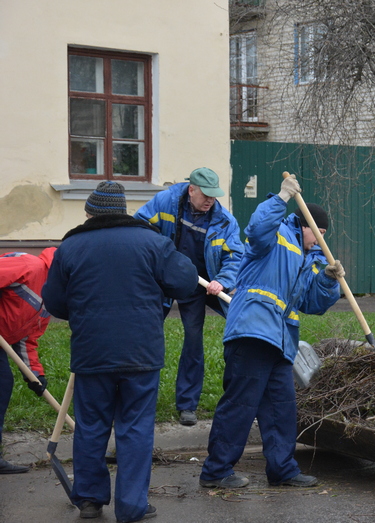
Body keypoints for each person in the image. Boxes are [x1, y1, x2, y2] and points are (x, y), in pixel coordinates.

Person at [42, 181, 198, 522]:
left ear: (91, 213)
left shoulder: (70, 247)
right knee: (136, 427)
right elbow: (186, 282)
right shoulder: (152, 243)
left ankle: (89, 500)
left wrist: (82, 312)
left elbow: (53, 301)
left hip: (91, 352)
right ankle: (131, 507)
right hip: (141, 353)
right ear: (123, 210)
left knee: (91, 425)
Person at [199, 174, 343, 489]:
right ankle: (216, 471)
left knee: (281, 408)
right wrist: (280, 198)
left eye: (324, 236)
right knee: (240, 404)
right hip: (252, 330)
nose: (320, 240)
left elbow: (311, 302)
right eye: (317, 233)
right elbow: (256, 228)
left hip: (281, 340)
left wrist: (329, 281)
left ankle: (282, 470)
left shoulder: (308, 259)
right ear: (303, 225)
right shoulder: (275, 235)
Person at [135, 167, 243, 426]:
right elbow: (139, 226)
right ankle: (137, 398)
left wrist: (222, 280)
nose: (210, 201)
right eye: (205, 195)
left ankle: (187, 404)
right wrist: (159, 254)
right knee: (145, 336)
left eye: (214, 196)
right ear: (191, 189)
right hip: (160, 281)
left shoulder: (225, 221)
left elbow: (236, 257)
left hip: (198, 285)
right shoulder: (166, 202)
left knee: (193, 341)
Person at [0, 247, 56, 474]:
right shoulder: (30, 267)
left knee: (3, 384)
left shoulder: (50, 298)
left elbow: (26, 339)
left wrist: (34, 374)